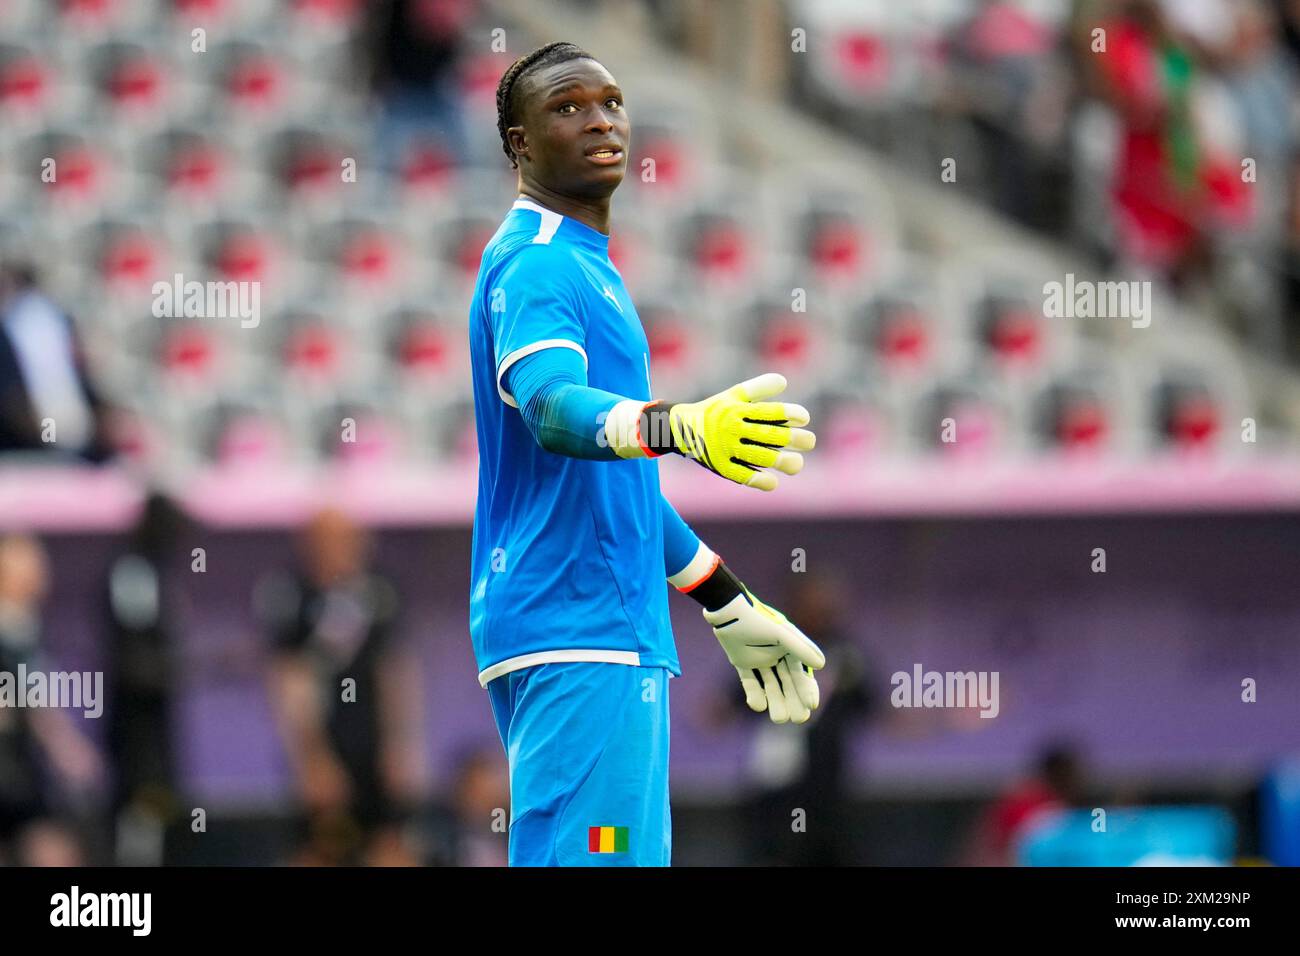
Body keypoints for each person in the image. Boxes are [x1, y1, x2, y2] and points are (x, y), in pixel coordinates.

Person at [469, 42, 824, 868]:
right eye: (567, 107)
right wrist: (679, 425)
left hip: (590, 625)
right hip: (578, 626)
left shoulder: (582, 262)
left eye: (611, 101)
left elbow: (612, 482)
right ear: (519, 143)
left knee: (603, 855)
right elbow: (554, 410)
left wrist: (725, 599)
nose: (599, 120)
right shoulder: (538, 263)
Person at [259, 509, 425, 866]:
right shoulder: (294, 597)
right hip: (327, 742)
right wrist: (312, 758)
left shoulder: (379, 592)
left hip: (373, 742)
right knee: (324, 845)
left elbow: (393, 671)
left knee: (391, 845)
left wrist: (400, 744)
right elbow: (289, 682)